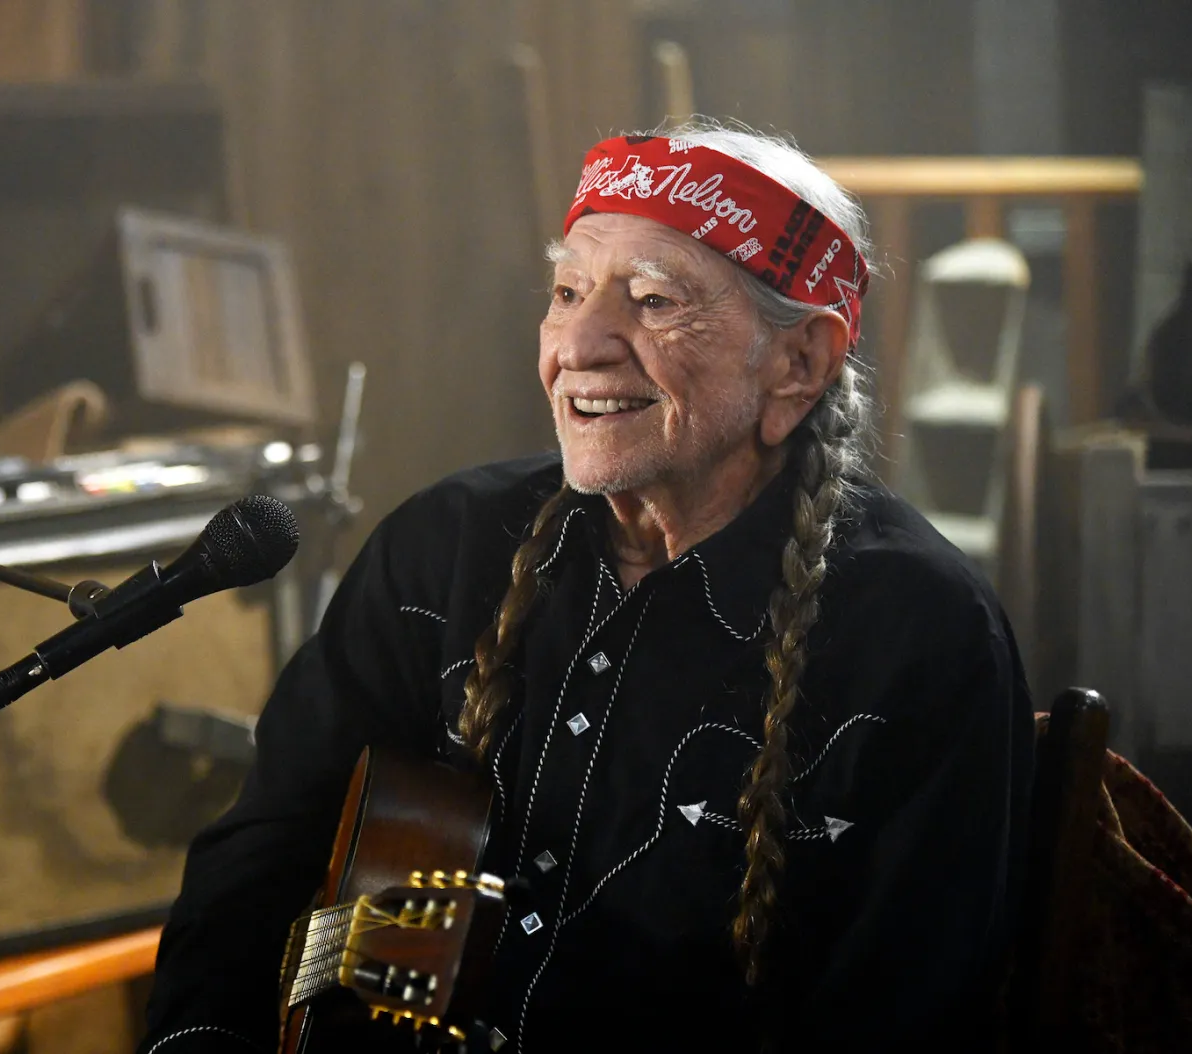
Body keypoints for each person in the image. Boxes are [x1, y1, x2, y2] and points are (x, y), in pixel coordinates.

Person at [139, 120, 1033, 1053]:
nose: (579, 343)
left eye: (651, 300)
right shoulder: (442, 549)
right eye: (567, 292)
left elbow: (907, 1011)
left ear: (797, 363)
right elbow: (265, 851)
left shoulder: (920, 635)